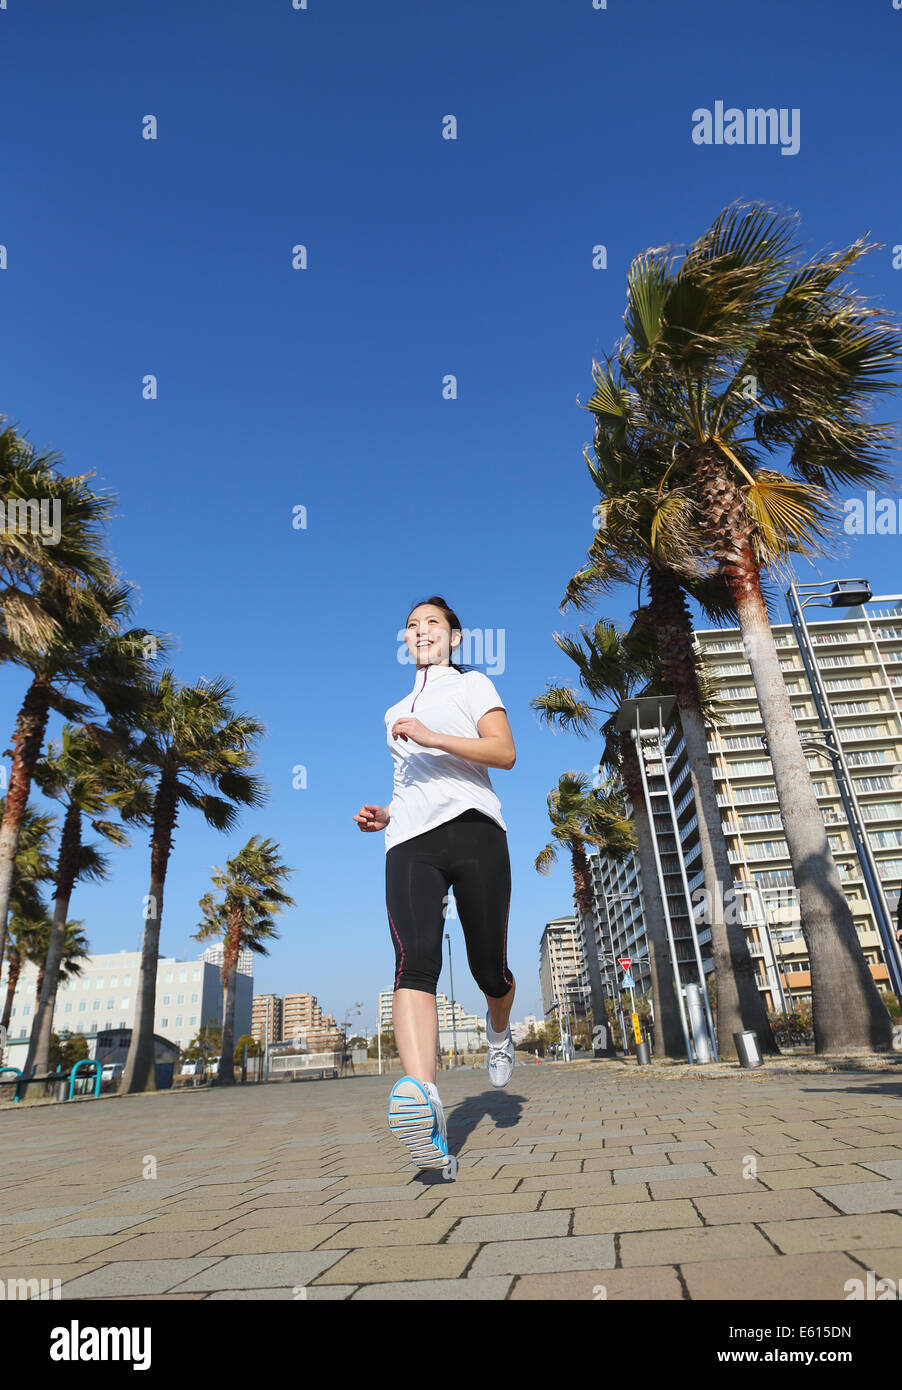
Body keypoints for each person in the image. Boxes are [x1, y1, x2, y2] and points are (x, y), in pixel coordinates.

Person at [353, 596, 517, 1171]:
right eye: (413, 625)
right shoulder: (392, 711)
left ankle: (500, 1027)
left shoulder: (474, 687)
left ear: (453, 638)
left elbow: (505, 753)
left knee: (487, 968)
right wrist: (386, 817)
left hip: (474, 832)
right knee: (414, 959)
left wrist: (432, 735)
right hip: (410, 843)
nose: (422, 631)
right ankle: (425, 1106)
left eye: (434, 624)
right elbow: (407, 786)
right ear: (406, 640)